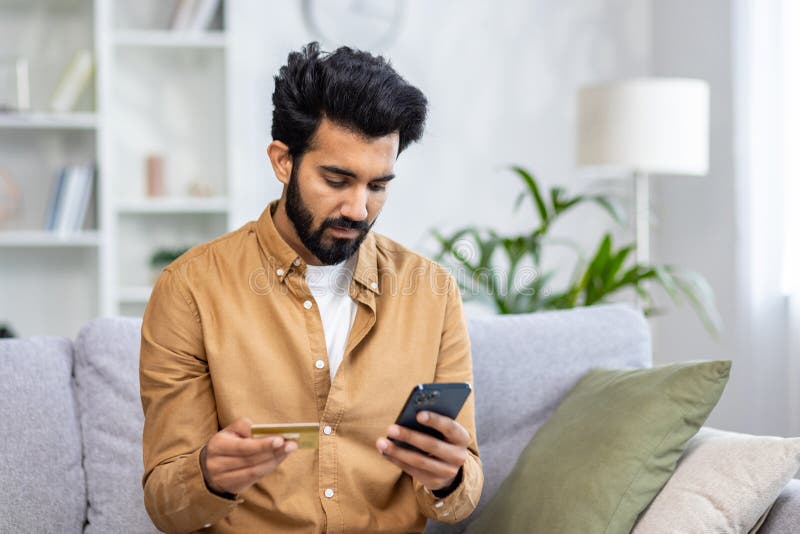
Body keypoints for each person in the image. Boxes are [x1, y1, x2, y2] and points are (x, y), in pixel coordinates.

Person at [140, 41, 483, 533]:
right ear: (283, 161)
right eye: (337, 180)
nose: (358, 209)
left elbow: (464, 484)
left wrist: (449, 478)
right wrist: (208, 476)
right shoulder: (190, 289)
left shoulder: (432, 292)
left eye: (377, 186)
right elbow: (165, 504)